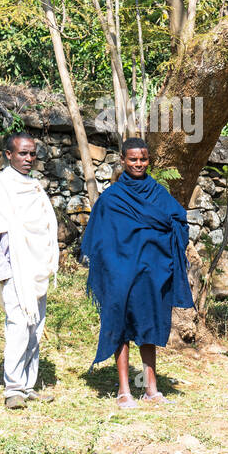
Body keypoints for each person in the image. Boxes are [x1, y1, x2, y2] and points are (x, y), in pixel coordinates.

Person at [81, 138, 193, 408]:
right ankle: (124, 390)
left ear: (148, 160)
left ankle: (151, 389)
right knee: (121, 326)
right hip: (121, 273)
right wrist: (112, 267)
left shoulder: (157, 192)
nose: (138, 164)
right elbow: (99, 238)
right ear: (122, 160)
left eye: (143, 159)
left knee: (149, 326)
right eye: (133, 159)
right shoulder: (112, 199)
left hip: (151, 273)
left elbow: (178, 219)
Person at [0, 133, 60, 410]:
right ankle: (13, 389)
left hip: (36, 269)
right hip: (13, 271)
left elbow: (45, 227)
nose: (28, 159)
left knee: (35, 328)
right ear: (8, 155)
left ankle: (28, 385)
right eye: (22, 154)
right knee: (18, 327)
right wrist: (3, 273)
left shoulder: (35, 187)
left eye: (32, 154)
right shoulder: (0, 187)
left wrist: (46, 263)